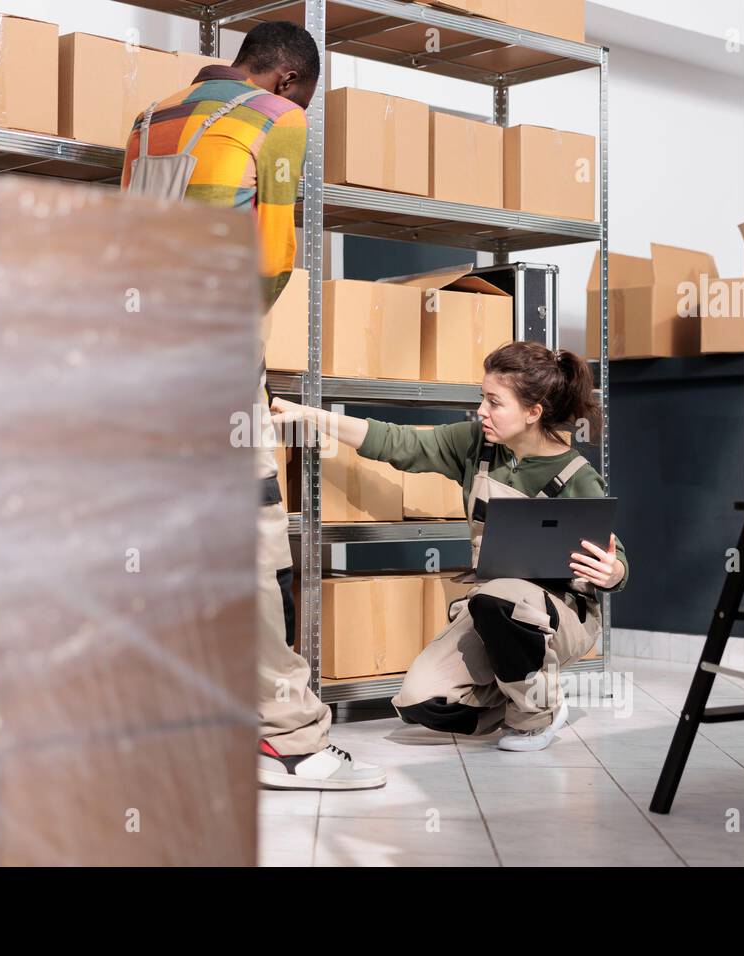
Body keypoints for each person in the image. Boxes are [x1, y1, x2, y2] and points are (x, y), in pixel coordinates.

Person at [122, 22, 385, 790]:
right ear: (288, 80)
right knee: (255, 542)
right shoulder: (277, 119)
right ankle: (289, 740)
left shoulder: (151, 120)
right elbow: (272, 255)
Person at [272, 341, 629, 753]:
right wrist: (313, 416)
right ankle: (523, 694)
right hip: (492, 608)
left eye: (495, 402)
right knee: (421, 702)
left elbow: (617, 558)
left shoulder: (578, 476)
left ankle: (536, 718)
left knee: (500, 598)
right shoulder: (477, 444)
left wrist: (613, 571)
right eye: (483, 397)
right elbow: (398, 442)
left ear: (534, 411)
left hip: (561, 616)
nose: (481, 410)